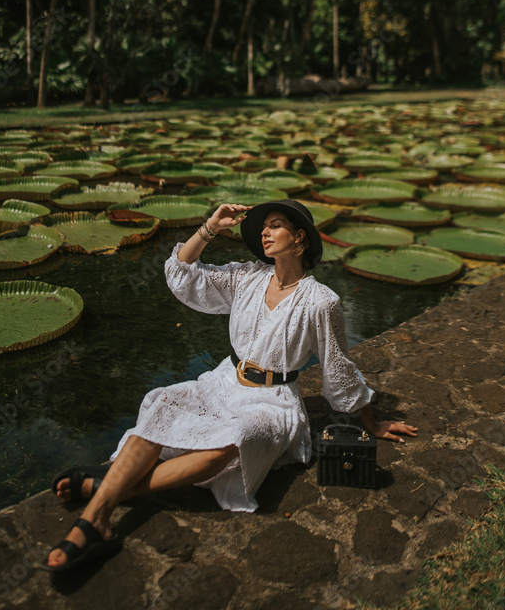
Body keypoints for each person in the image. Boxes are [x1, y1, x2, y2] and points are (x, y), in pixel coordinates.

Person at [44, 200, 418, 573]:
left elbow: (338, 368)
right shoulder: (248, 277)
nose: (265, 233)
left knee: (232, 442)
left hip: (273, 402)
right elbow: (183, 272)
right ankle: (97, 518)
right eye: (263, 228)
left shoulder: (322, 302)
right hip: (225, 382)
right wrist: (209, 228)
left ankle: (107, 490)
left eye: (275, 225)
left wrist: (370, 422)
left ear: (299, 236)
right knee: (162, 402)